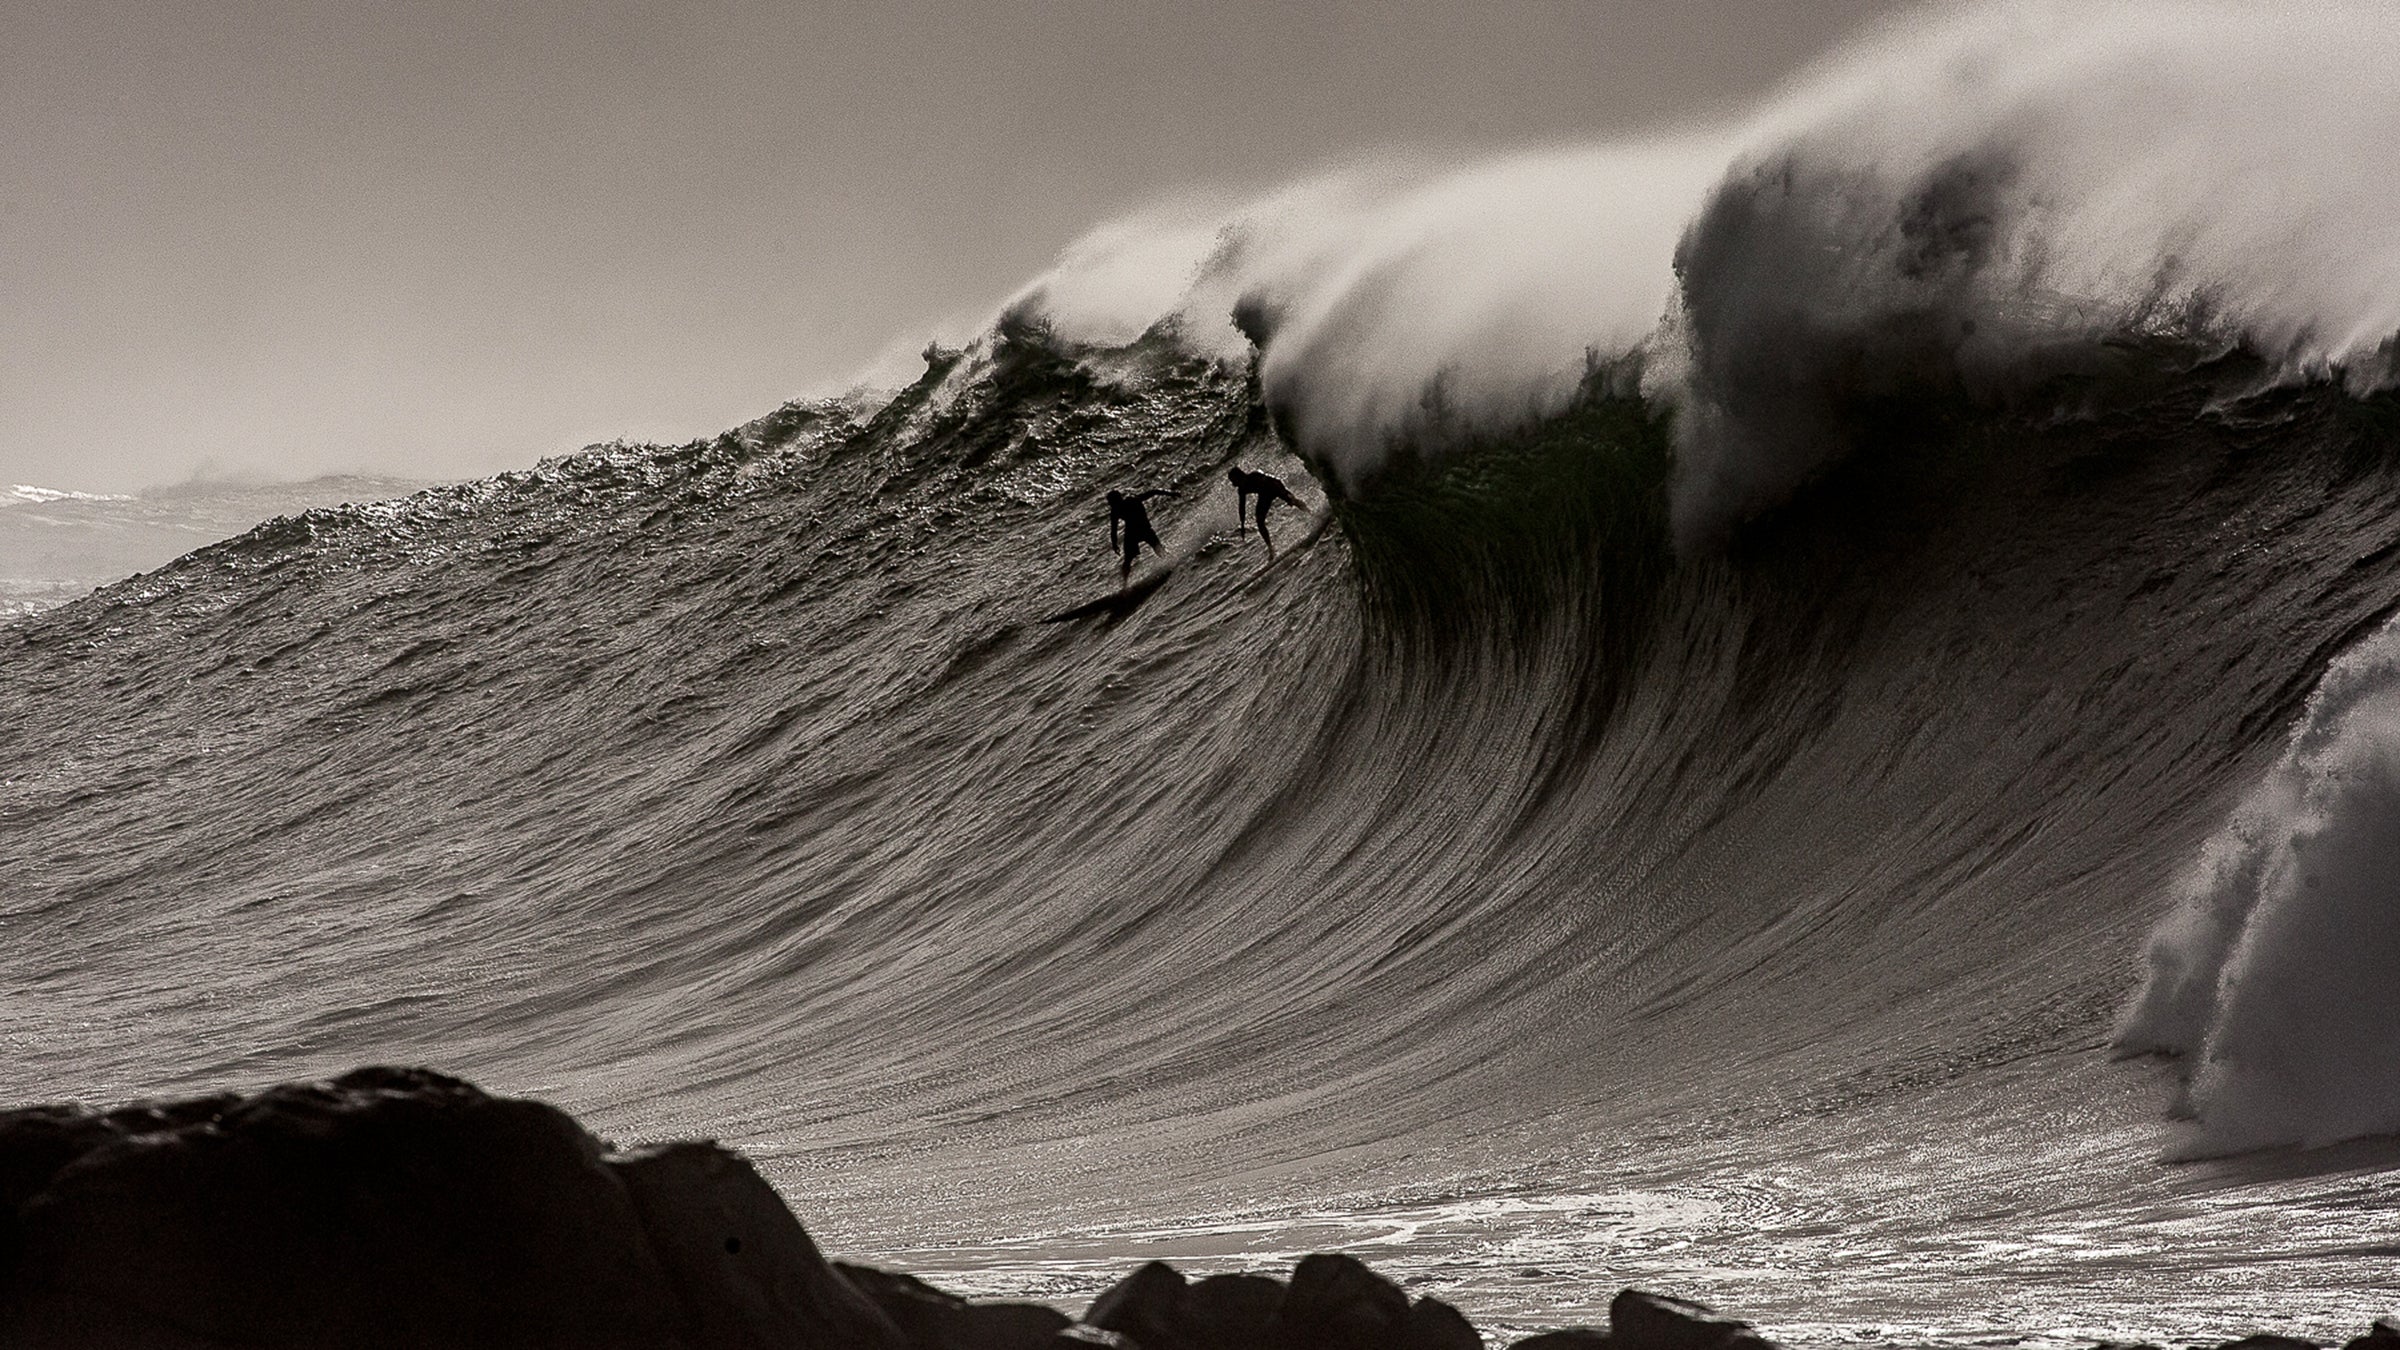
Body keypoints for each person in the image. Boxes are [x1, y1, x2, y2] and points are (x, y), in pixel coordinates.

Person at [1228, 466, 1303, 553]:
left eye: (1233, 481)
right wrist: (1242, 525)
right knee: (1259, 522)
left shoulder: (1253, 476)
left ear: (1239, 477)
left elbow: (1271, 481)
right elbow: (1242, 507)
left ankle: (1310, 512)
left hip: (1273, 485)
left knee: (1292, 501)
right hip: (1264, 495)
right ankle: (1271, 548)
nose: (1233, 484)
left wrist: (1285, 493)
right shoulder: (1241, 489)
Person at [1106, 487, 1173, 581]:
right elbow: (1113, 529)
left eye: (1111, 502)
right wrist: (1114, 544)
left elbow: (1152, 492)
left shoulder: (1131, 500)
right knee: (1128, 560)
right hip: (1133, 533)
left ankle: (1170, 563)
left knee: (1158, 548)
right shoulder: (1116, 511)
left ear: (1116, 500)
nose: (1110, 505)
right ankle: (1125, 586)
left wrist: (1170, 493)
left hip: (1141, 530)